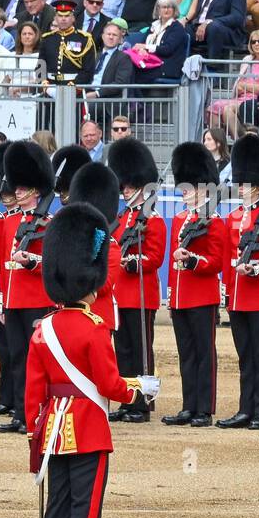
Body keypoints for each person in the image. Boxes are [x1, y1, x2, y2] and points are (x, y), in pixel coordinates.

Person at [27, 166, 159, 518]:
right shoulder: (93, 330)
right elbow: (108, 385)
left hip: (51, 433)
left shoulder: (41, 329)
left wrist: (36, 436)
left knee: (57, 512)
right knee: (84, 517)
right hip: (87, 427)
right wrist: (136, 392)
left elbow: (33, 394)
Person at [218, 134, 259, 431]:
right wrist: (228, 288)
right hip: (237, 295)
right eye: (240, 183)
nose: (242, 188)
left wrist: (254, 270)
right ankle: (245, 409)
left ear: (258, 187)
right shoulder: (232, 217)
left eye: (246, 184)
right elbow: (225, 258)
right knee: (244, 356)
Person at [163, 141, 226, 428]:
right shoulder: (178, 220)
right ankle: (189, 406)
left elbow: (215, 262)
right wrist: (171, 295)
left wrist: (191, 261)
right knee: (186, 355)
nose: (184, 194)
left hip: (202, 297)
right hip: (181, 298)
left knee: (204, 354)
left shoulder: (213, 221)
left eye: (188, 189)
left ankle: (205, 408)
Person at [0, 140, 54, 433]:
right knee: (16, 357)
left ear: (35, 189)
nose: (16, 191)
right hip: (14, 300)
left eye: (21, 187)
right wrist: (3, 302)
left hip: (36, 299)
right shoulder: (8, 222)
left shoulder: (47, 222)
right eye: (15, 187)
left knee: (35, 359)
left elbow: (49, 263)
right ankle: (19, 412)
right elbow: (4, 267)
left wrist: (31, 261)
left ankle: (35, 412)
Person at [107, 138, 165, 423]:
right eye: (124, 185)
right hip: (120, 296)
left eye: (130, 186)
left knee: (142, 353)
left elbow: (154, 258)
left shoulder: (153, 220)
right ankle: (127, 400)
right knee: (124, 352)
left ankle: (143, 404)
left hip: (141, 295)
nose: (126, 189)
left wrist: (133, 262)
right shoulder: (121, 219)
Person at [209, 28, 259, 136]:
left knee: (227, 110)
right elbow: (238, 86)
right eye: (253, 42)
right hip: (240, 97)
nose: (256, 44)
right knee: (214, 107)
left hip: (256, 100)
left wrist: (244, 85)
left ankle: (239, 142)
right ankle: (217, 144)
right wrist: (245, 86)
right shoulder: (247, 59)